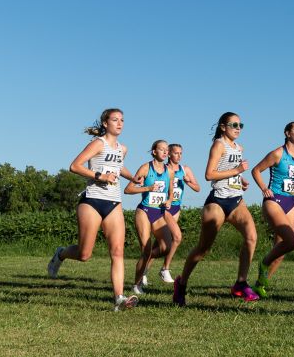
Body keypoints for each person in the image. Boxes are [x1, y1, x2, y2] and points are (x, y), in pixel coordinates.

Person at [46, 109, 140, 311]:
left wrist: (132, 178)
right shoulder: (98, 143)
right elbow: (75, 166)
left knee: (117, 251)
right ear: (105, 123)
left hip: (114, 202)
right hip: (92, 201)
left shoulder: (122, 148)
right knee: (84, 255)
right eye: (115, 120)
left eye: (122, 120)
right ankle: (61, 254)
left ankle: (119, 298)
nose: (120, 123)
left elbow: (119, 167)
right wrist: (100, 176)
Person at [172, 112, 259, 306]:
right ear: (222, 127)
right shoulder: (219, 145)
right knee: (203, 249)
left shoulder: (239, 147)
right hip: (218, 201)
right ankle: (181, 283)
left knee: (252, 237)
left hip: (236, 199)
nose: (237, 128)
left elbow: (228, 171)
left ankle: (241, 283)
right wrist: (237, 171)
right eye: (233, 125)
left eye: (240, 125)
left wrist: (240, 179)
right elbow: (209, 174)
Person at [251, 121, 294, 296]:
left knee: (281, 249)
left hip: (291, 202)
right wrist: (264, 188)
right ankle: (264, 263)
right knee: (292, 241)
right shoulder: (278, 153)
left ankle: (259, 285)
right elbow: (256, 170)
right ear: (287, 133)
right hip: (274, 200)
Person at [126, 141, 174, 296]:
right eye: (162, 149)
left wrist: (169, 201)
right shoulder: (146, 168)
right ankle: (136, 284)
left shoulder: (169, 171)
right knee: (146, 249)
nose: (165, 152)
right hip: (145, 211)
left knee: (167, 246)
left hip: (159, 212)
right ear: (154, 151)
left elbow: (171, 193)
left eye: (167, 150)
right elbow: (128, 189)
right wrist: (147, 188)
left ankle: (144, 260)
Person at [155, 142, 199, 284]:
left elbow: (197, 188)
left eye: (181, 153)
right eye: (176, 153)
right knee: (177, 237)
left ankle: (144, 270)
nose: (179, 156)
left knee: (159, 245)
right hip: (164, 208)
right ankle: (165, 269)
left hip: (176, 208)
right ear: (169, 154)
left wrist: (188, 182)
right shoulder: (164, 169)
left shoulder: (184, 169)